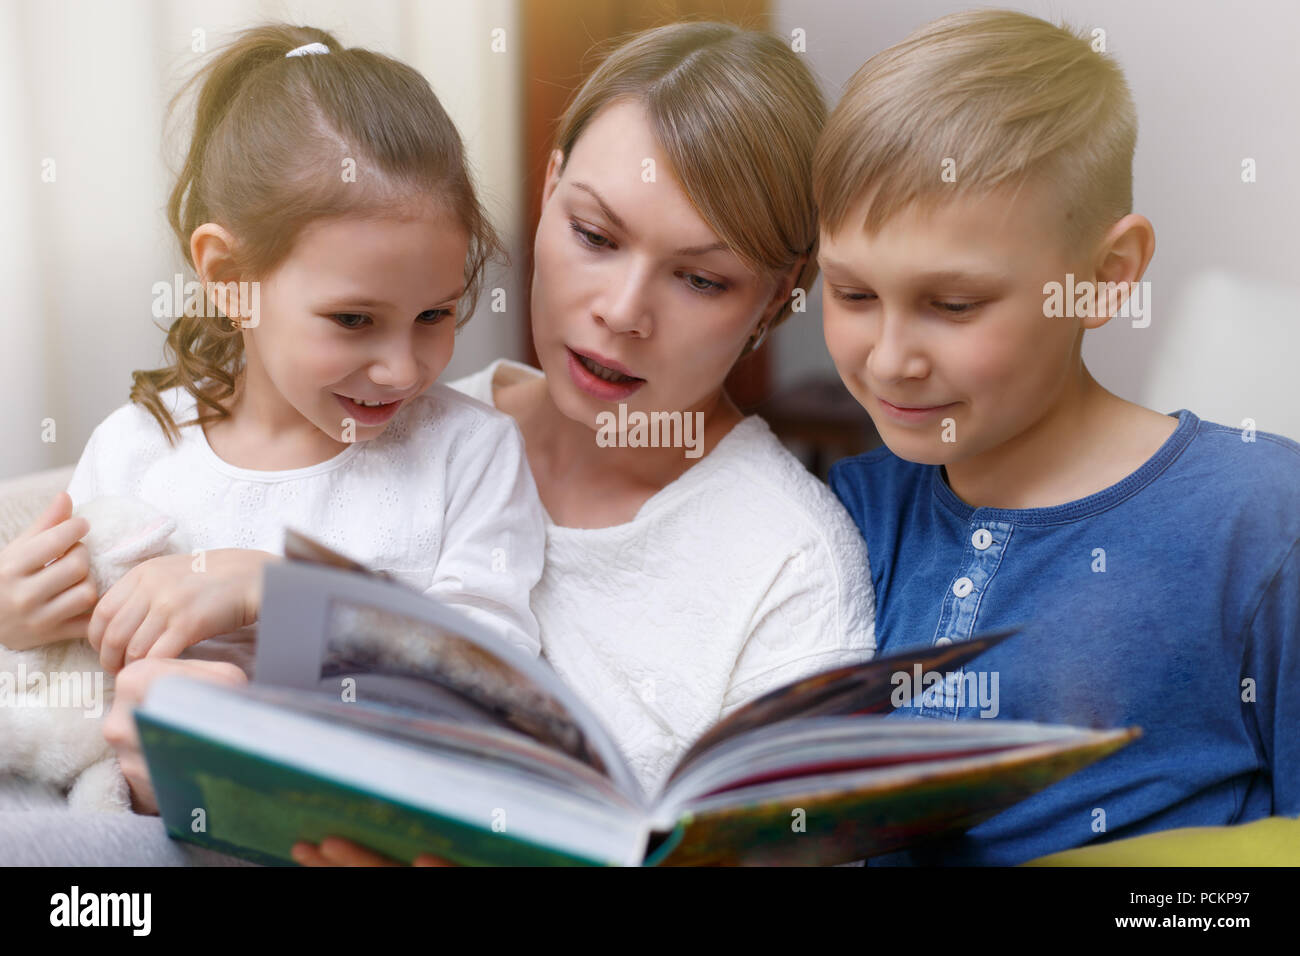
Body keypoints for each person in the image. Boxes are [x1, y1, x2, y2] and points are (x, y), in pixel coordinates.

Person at [0, 23, 547, 814]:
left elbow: (498, 683)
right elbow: (66, 701)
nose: (403, 368)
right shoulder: (137, 451)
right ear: (228, 276)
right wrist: (19, 630)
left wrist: (277, 591)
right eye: (355, 321)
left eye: (435, 313)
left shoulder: (471, 453)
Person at [815, 9, 1300, 865]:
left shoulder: (1262, 522)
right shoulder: (840, 517)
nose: (889, 361)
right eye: (852, 294)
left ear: (1105, 279)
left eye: (953, 305)